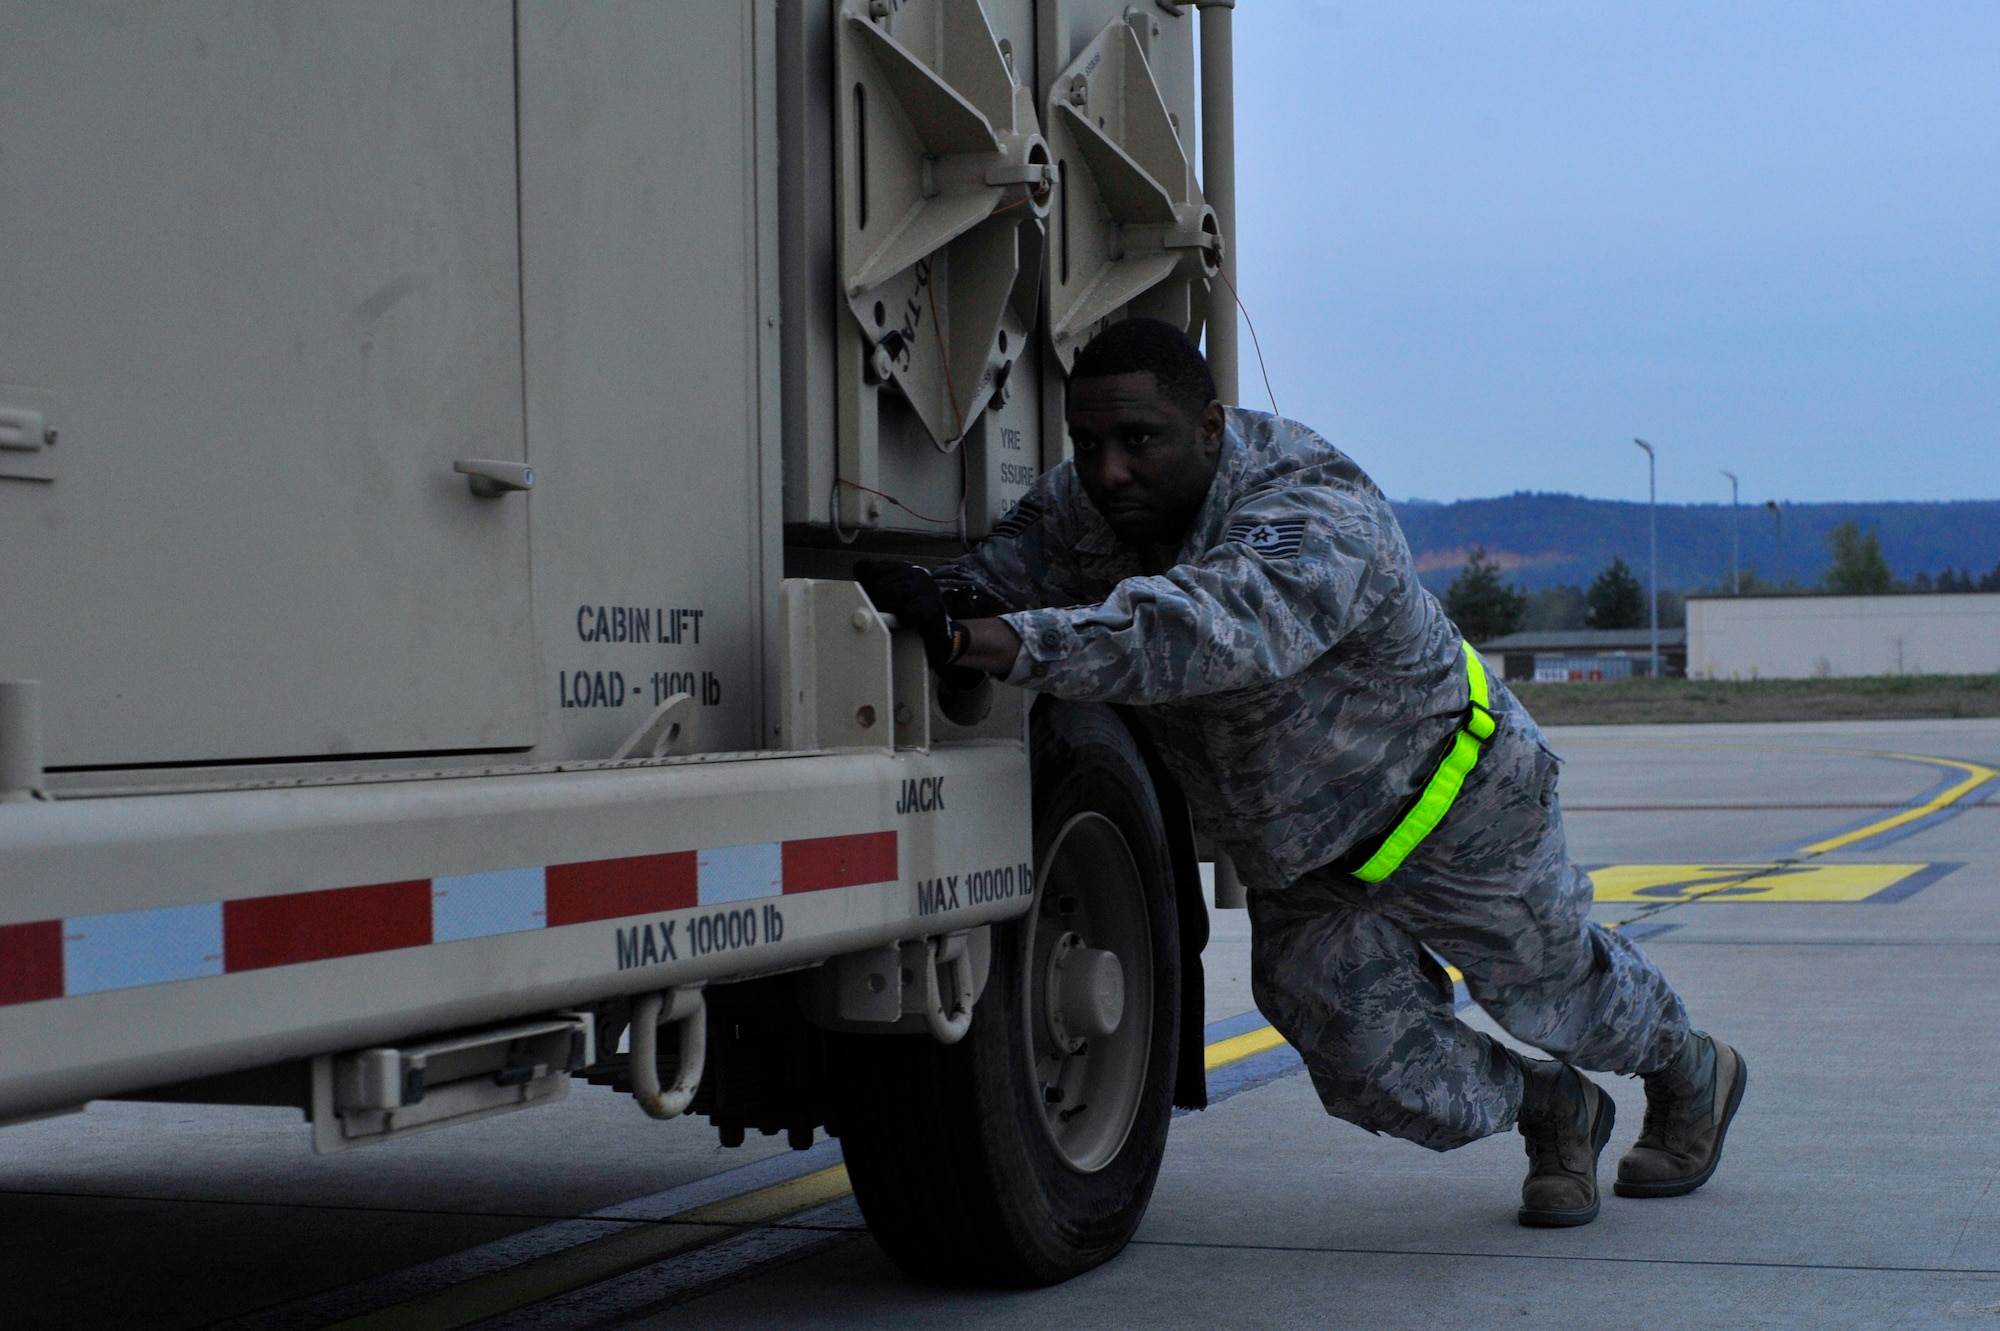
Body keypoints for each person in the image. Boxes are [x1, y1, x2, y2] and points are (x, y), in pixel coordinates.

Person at [854, 317, 1745, 1227]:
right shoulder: (1083, 511)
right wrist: (939, 599)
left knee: (1557, 997)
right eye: (1088, 444)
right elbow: (997, 573)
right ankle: (1555, 1110)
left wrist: (997, 642)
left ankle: (1691, 1072)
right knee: (1373, 1065)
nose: (1109, 469)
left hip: (1453, 806)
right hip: (1300, 861)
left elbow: (1211, 627)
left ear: (1210, 429)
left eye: (1138, 440)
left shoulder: (1314, 505)